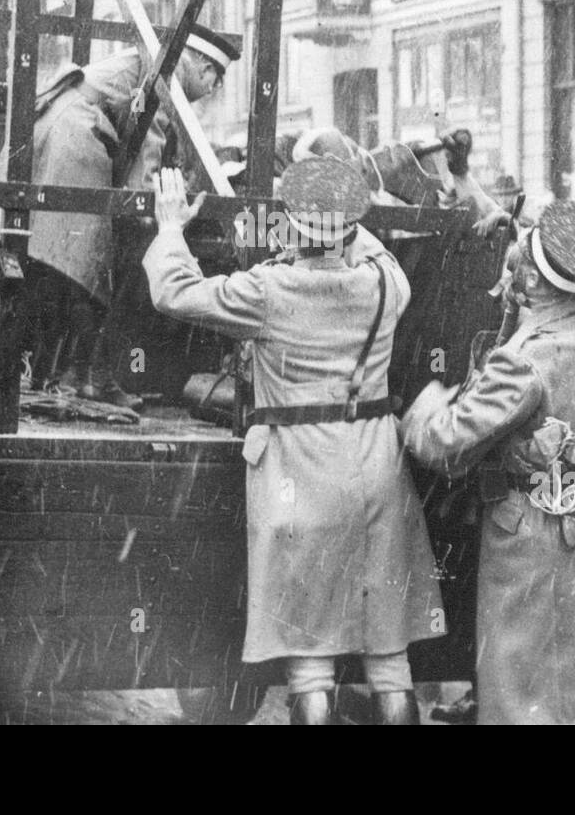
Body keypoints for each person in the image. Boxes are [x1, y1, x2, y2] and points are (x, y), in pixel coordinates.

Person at [144, 159, 445, 724]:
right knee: (388, 653)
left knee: (309, 656)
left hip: (299, 471)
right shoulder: (388, 282)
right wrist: (344, 211)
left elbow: (175, 293)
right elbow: (366, 244)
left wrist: (169, 227)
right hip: (377, 468)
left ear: (296, 225)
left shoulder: (269, 289)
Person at [401, 186, 575, 724]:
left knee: (523, 694)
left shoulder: (526, 361)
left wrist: (422, 407)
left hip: (532, 541)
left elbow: (447, 444)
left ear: (536, 281)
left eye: (524, 259)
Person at [9, 24, 239, 408]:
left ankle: (78, 376)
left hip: (59, 132)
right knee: (92, 267)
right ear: (202, 67)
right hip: (75, 141)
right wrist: (160, 219)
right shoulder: (168, 78)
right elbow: (148, 153)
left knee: (75, 267)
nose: (213, 89)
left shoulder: (155, 63)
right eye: (216, 78)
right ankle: (89, 379)